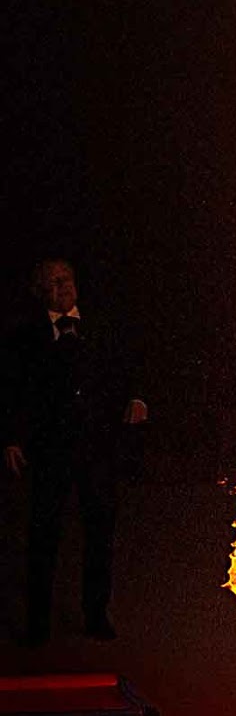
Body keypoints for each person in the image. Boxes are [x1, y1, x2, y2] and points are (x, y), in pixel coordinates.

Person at [2, 258, 147, 644]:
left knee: (100, 536)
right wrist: (12, 438)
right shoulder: (27, 338)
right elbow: (15, 391)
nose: (63, 287)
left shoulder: (100, 326)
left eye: (66, 279)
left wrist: (135, 397)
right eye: (53, 283)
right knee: (43, 537)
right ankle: (37, 623)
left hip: (97, 450)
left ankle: (96, 614)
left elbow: (126, 365)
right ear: (40, 293)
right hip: (51, 452)